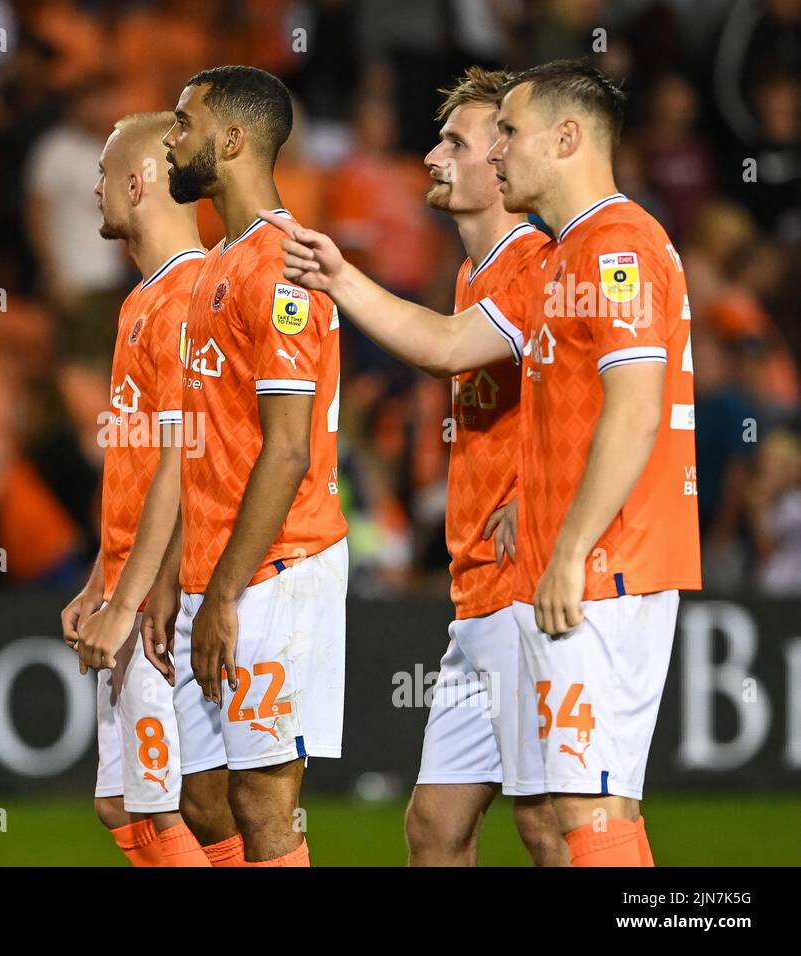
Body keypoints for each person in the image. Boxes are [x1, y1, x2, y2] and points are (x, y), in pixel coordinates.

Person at [262, 59, 701, 866]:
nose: (493, 152)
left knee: (580, 811)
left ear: (565, 138)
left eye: (505, 132)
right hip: (542, 566)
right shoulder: (559, 257)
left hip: (601, 566)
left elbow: (636, 409)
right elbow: (453, 346)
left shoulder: (616, 244)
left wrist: (566, 543)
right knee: (466, 823)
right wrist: (340, 277)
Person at [157, 66, 348, 866]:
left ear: (231, 140)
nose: (170, 138)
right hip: (216, 563)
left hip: (277, 564)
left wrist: (225, 591)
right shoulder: (217, 264)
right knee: (201, 795)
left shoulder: (280, 267)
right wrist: (181, 575)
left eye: (182, 123)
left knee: (264, 800)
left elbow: (290, 446)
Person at [403, 66, 567, 867]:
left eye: (454, 142)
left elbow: (606, 401)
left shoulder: (538, 260)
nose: (432, 155)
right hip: (477, 588)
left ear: (499, 161)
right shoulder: (475, 275)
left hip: (526, 584)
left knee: (546, 823)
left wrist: (540, 492)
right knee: (436, 829)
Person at [64, 112, 210, 867]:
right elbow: (136, 460)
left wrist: (138, 596)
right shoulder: (139, 301)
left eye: (102, 174)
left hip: (163, 596)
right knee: (119, 802)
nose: (93, 188)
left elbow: (188, 463)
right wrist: (100, 576)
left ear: (138, 182)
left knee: (166, 802)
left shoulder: (193, 296)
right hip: (130, 575)